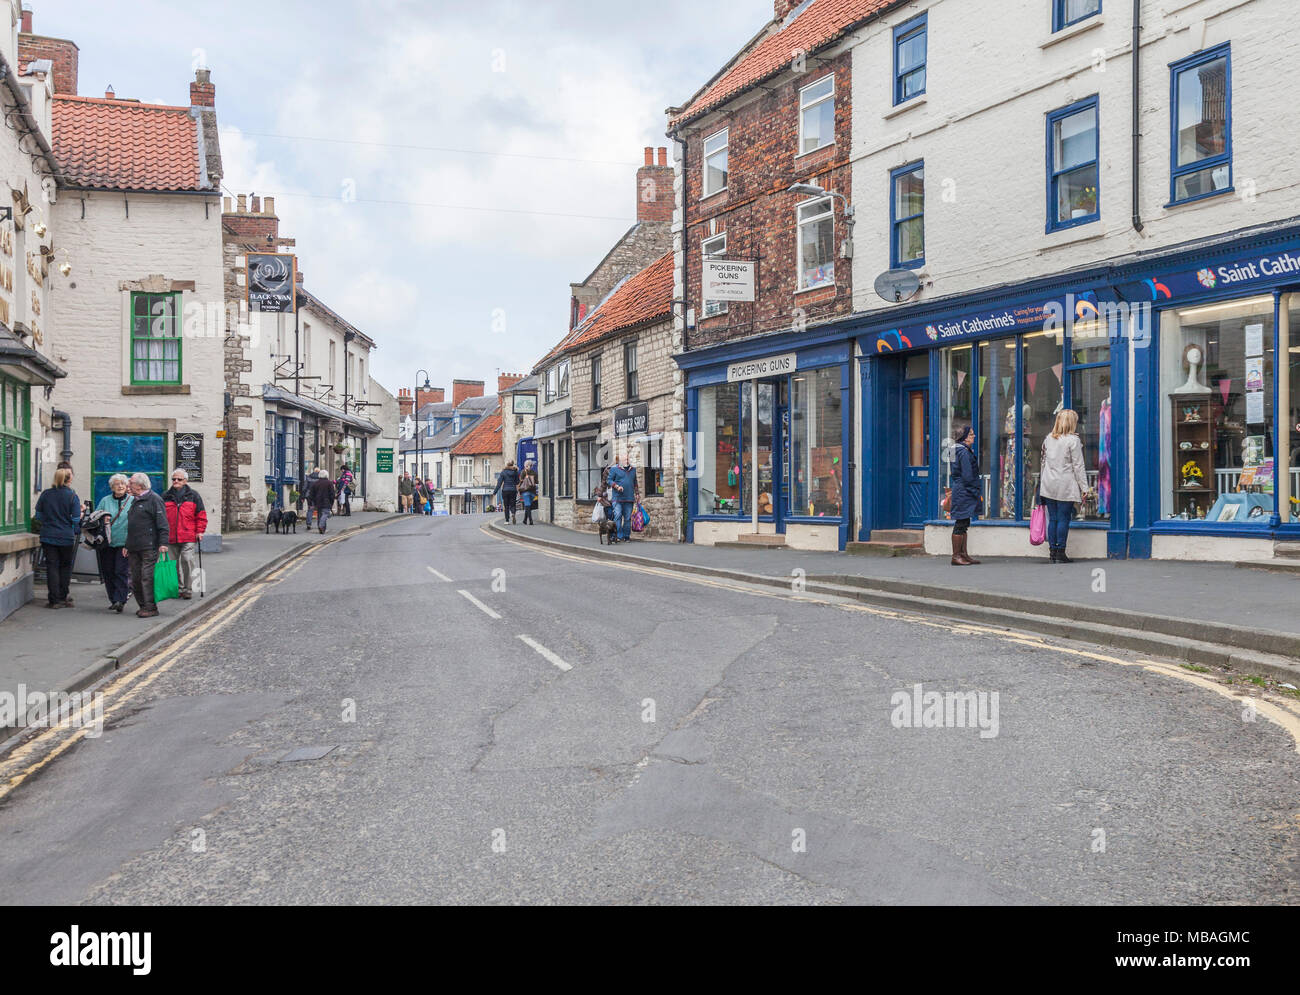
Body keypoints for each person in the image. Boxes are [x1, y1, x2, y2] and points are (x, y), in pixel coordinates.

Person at [1039, 408, 1091, 564]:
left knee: (1053, 519)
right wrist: (1084, 488)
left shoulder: (1048, 438)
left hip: (1048, 484)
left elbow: (1043, 463)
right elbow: (1078, 466)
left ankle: (1052, 553)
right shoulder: (1073, 441)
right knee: (1063, 519)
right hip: (1065, 484)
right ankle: (1061, 552)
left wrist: (1042, 483)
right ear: (1071, 423)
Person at [33, 466, 82, 608]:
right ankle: (63, 595)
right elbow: (75, 519)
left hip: (48, 535)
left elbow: (38, 515)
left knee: (52, 566)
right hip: (66, 537)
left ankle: (53, 599)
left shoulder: (46, 495)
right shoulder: (72, 496)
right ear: (70, 479)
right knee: (65, 567)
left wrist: (49, 521)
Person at [125, 472, 169, 618]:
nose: (128, 485)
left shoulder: (154, 499)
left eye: (130, 482)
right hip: (134, 546)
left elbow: (162, 523)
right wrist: (126, 545)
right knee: (136, 578)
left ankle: (151, 607)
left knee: (146, 577)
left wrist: (163, 543)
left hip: (149, 546)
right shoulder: (134, 500)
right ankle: (143, 606)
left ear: (139, 485)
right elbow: (131, 526)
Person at [162, 468, 207, 600]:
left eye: (179, 479)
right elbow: (160, 516)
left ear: (185, 481)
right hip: (170, 536)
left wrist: (200, 531)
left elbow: (201, 515)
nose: (176, 481)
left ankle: (188, 589)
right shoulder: (165, 496)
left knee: (187, 561)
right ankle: (178, 588)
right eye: (174, 479)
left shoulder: (194, 495)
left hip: (188, 535)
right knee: (172, 564)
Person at [94, 473, 133, 612]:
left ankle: (120, 600)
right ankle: (113, 598)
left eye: (123, 483)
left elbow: (136, 523)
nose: (120, 486)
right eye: (117, 484)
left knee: (121, 571)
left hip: (124, 543)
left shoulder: (132, 500)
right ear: (112, 487)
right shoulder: (105, 500)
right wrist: (102, 519)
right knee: (108, 572)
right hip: (107, 543)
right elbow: (96, 517)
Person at [949, 426, 981, 566]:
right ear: (965, 437)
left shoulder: (953, 449)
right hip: (964, 490)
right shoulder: (964, 452)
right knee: (961, 523)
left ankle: (963, 554)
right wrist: (975, 490)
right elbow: (968, 475)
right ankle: (957, 556)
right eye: (972, 434)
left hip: (959, 488)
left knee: (964, 522)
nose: (974, 436)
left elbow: (954, 471)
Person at [607, 453, 638, 543]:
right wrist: (616, 486)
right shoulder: (614, 469)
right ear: (621, 461)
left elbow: (635, 482)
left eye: (628, 459)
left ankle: (626, 536)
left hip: (629, 498)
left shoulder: (633, 470)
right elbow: (609, 480)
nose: (627, 461)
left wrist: (637, 493)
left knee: (628, 518)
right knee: (618, 515)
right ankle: (618, 535)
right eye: (625, 460)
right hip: (617, 498)